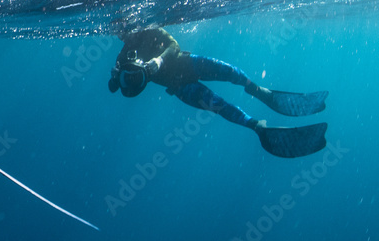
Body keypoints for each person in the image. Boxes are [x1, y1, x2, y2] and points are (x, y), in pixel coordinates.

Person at [108, 27, 328, 158]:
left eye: (123, 28)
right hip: (180, 87)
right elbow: (123, 89)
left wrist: (158, 60)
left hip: (187, 64)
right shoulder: (124, 56)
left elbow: (173, 45)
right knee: (220, 106)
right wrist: (115, 77)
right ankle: (256, 125)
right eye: (118, 31)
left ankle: (260, 92)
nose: (122, 34)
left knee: (231, 72)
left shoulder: (150, 31)